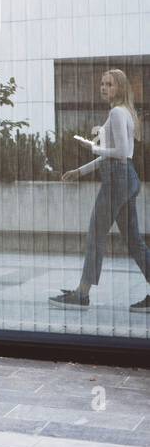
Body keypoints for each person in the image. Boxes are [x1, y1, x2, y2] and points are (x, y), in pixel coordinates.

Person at [50, 69, 150, 312]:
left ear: (121, 88)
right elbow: (120, 155)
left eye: (110, 85)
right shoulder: (123, 112)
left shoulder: (117, 113)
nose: (104, 88)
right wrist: (79, 171)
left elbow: (120, 152)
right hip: (126, 178)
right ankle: (82, 292)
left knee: (96, 234)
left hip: (118, 179)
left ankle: (82, 294)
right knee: (134, 241)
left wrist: (93, 149)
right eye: (102, 84)